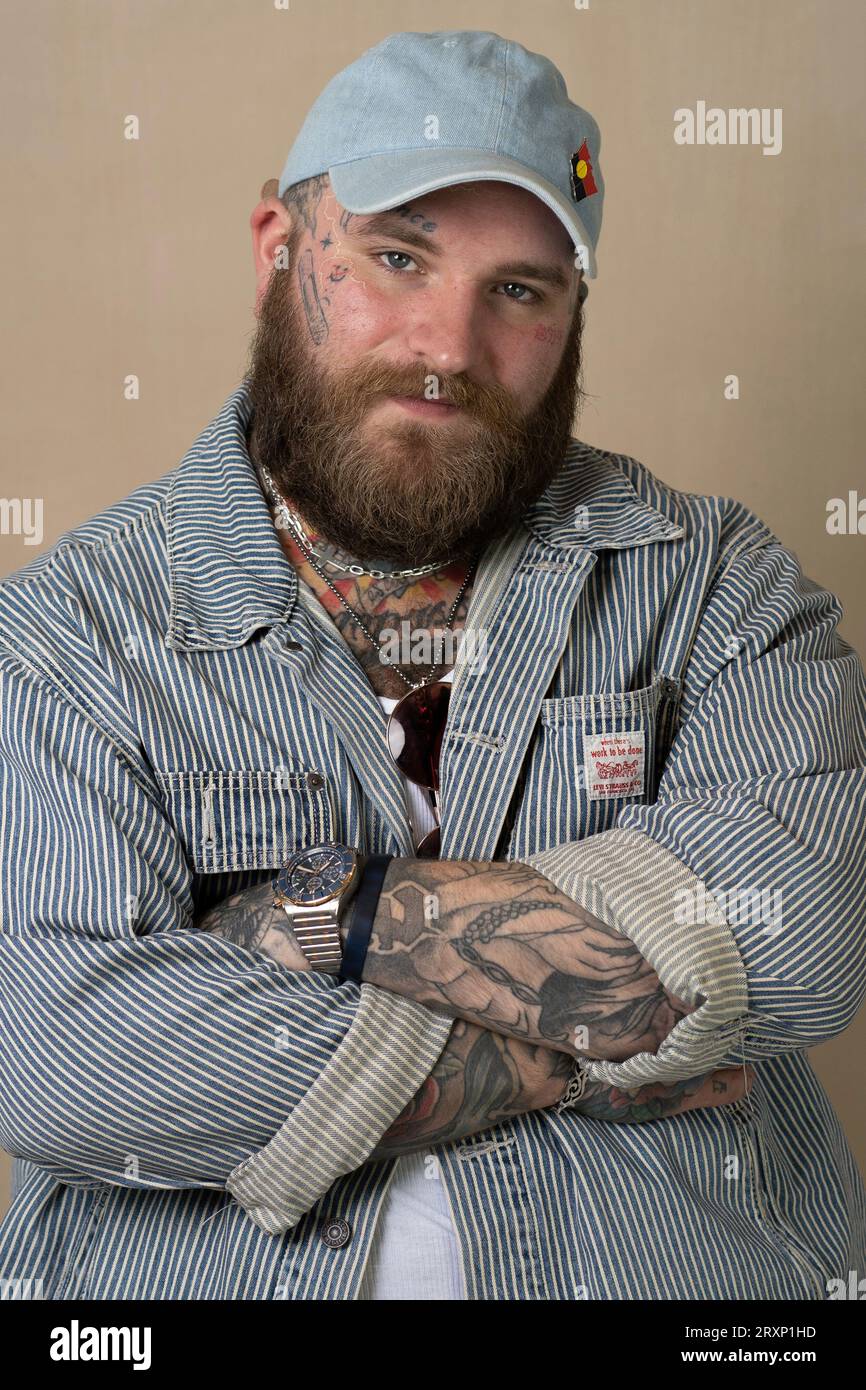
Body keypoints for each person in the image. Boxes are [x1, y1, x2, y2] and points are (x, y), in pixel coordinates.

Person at [0, 29, 864, 1302]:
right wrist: (571, 1051)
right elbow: (68, 1062)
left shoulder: (710, 581)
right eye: (396, 258)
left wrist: (325, 910)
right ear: (277, 249)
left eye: (517, 290)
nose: (447, 346)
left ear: (571, 316)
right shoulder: (70, 631)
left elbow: (798, 940)